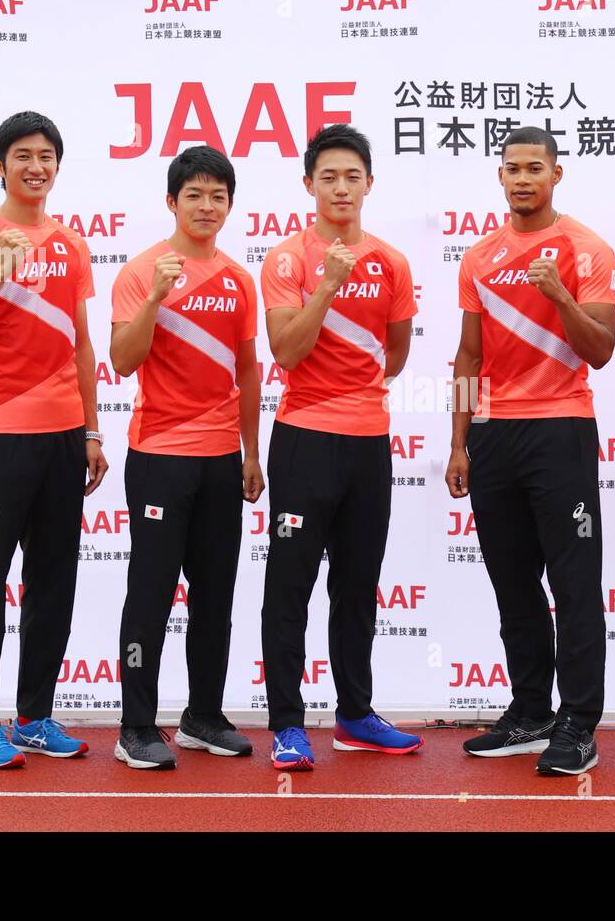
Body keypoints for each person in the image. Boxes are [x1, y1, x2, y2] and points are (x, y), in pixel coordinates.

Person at [445, 126, 615, 776]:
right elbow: (468, 353)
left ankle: (577, 723)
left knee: (574, 586)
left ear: (556, 174)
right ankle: (529, 709)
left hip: (560, 429)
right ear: (500, 176)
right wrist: (459, 442)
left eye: (534, 168)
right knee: (513, 583)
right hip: (493, 435)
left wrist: (559, 294)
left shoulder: (585, 249)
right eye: (512, 168)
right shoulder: (479, 256)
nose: (522, 179)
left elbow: (600, 350)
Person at [0, 111, 107, 768]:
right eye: (22, 156)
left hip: (64, 437)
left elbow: (83, 342)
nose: (36, 166)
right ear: (0, 165)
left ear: (56, 166)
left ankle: (35, 716)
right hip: (0, 435)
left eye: (46, 156)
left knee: (53, 582)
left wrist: (92, 429)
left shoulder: (71, 244)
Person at [259, 124, 421, 771]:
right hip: (303, 438)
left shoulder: (393, 261)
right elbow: (286, 351)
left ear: (370, 184)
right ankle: (287, 724)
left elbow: (398, 355)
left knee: (357, 587)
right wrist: (327, 284)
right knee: (290, 586)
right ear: (309, 185)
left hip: (368, 444)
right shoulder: (287, 260)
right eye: (328, 176)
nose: (341, 187)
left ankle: (354, 714)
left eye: (353, 176)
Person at [109, 146, 264, 770]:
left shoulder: (238, 278)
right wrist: (155, 298)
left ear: (229, 204)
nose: (207, 206)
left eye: (217, 195)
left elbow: (249, 370)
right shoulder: (142, 270)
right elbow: (121, 360)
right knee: (149, 594)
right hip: (160, 457)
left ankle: (202, 714)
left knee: (216, 593)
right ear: (171, 202)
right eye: (194, 195)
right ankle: (135, 726)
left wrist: (252, 454)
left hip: (222, 458)